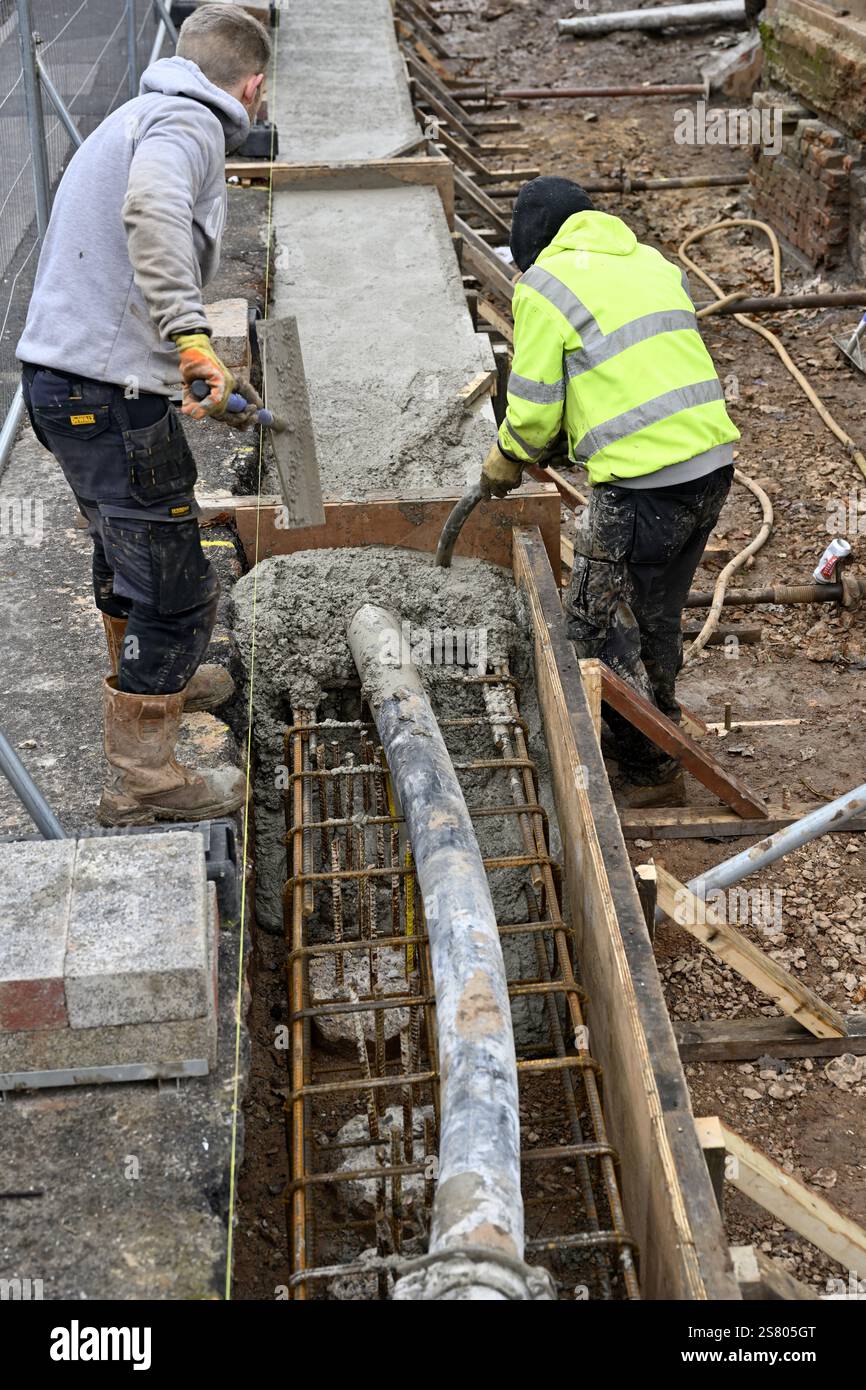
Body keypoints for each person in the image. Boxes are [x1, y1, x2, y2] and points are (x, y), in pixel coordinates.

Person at [17, 4, 271, 826]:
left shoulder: (143, 109)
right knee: (176, 586)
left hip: (68, 381)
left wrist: (186, 371)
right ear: (254, 87)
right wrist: (193, 339)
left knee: (123, 548)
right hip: (101, 392)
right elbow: (154, 211)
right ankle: (146, 780)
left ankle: (151, 682)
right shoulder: (187, 126)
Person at [483, 176, 740, 805]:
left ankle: (643, 771)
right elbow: (634, 370)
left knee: (594, 630)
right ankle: (664, 735)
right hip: (710, 468)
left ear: (533, 245)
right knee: (656, 611)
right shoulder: (652, 263)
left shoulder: (543, 285)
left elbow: (538, 407)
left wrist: (506, 456)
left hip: (643, 487)